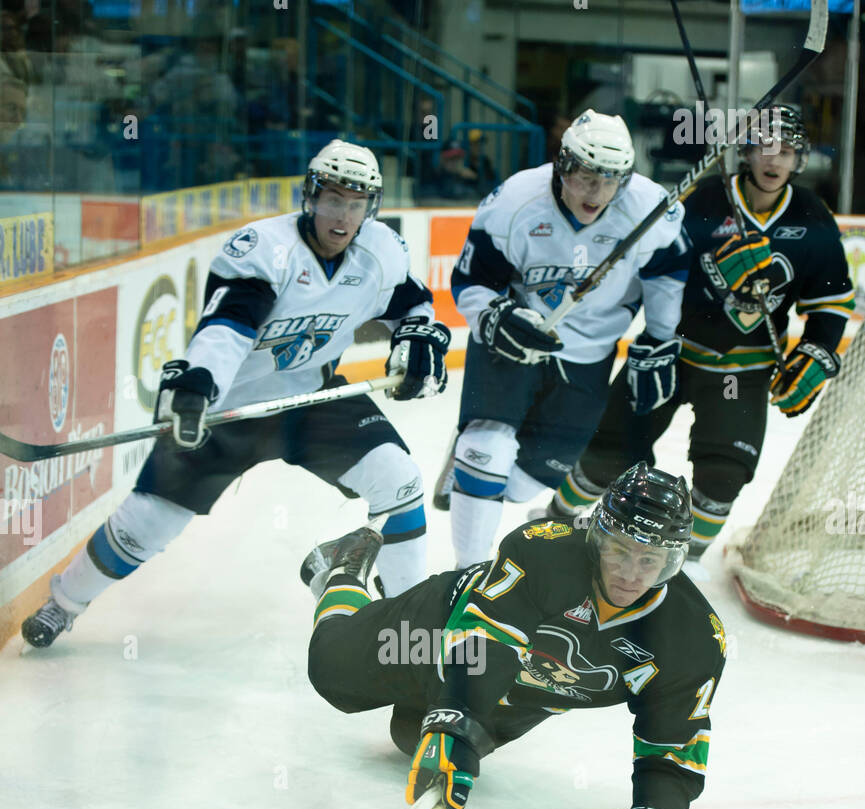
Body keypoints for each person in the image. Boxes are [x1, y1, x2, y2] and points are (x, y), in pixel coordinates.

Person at [21, 140, 451, 648]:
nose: (343, 217)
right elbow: (229, 325)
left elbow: (414, 303)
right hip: (230, 408)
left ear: (370, 209)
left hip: (311, 398)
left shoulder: (379, 250)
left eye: (356, 205)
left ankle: (410, 628)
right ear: (311, 196)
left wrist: (418, 339)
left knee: (399, 481)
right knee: (148, 522)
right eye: (334, 200)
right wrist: (200, 383)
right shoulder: (266, 249)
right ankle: (64, 603)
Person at [303, 463, 726, 809]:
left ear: (672, 560)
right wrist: (456, 718)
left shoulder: (691, 638)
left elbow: (672, 745)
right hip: (438, 630)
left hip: (517, 697)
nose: (630, 573)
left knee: (410, 735)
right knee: (330, 672)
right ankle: (344, 571)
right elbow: (488, 644)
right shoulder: (544, 552)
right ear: (598, 536)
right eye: (619, 550)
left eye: (649, 559)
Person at [540, 106, 856, 561]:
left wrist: (818, 348)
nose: (773, 159)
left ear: (798, 160)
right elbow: (657, 273)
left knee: (723, 476)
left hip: (742, 372)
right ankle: (553, 525)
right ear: (746, 150)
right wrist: (710, 278)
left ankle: (681, 567)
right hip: (672, 354)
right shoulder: (703, 201)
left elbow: (829, 300)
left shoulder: (813, 217)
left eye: (785, 151)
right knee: (605, 455)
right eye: (765, 146)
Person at [436, 109, 691, 568]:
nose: (596, 193)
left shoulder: (651, 210)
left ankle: (469, 473)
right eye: (587, 177)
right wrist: (494, 315)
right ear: (563, 166)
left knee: (538, 475)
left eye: (610, 180)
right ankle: (466, 573)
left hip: (590, 352)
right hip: (516, 339)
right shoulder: (515, 200)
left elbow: (669, 273)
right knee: (487, 447)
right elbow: (471, 279)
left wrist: (659, 337)